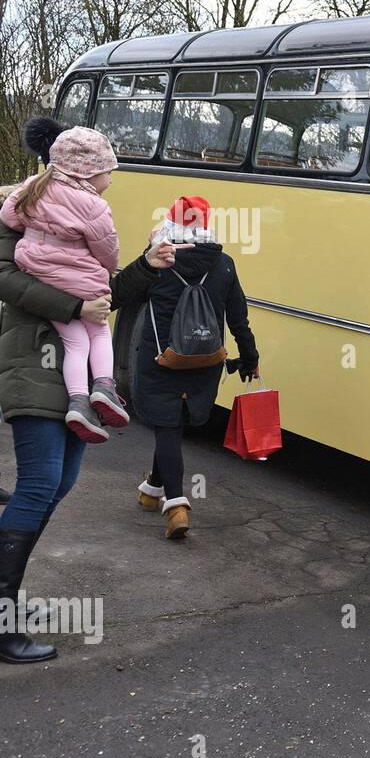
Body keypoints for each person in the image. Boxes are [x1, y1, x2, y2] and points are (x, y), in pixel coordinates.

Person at [0, 115, 179, 665]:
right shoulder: (18, 207)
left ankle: (8, 599)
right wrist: (74, 307)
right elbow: (6, 278)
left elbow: (102, 297)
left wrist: (146, 267)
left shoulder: (80, 215)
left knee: (60, 483)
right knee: (39, 483)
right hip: (34, 360)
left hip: (75, 372)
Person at [131, 195, 259, 540]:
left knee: (166, 424)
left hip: (161, 358)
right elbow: (238, 318)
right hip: (206, 361)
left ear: (170, 224)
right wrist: (250, 358)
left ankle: (175, 503)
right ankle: (152, 488)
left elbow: (127, 295)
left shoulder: (158, 259)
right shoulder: (225, 264)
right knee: (172, 424)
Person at [0, 126, 129, 443]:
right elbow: (107, 250)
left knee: (75, 343)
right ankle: (103, 386)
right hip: (81, 282)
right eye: (107, 172)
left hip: (41, 276)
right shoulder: (94, 205)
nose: (110, 180)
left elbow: (9, 215)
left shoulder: (33, 187)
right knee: (97, 331)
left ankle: (78, 402)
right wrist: (107, 269)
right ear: (88, 174)